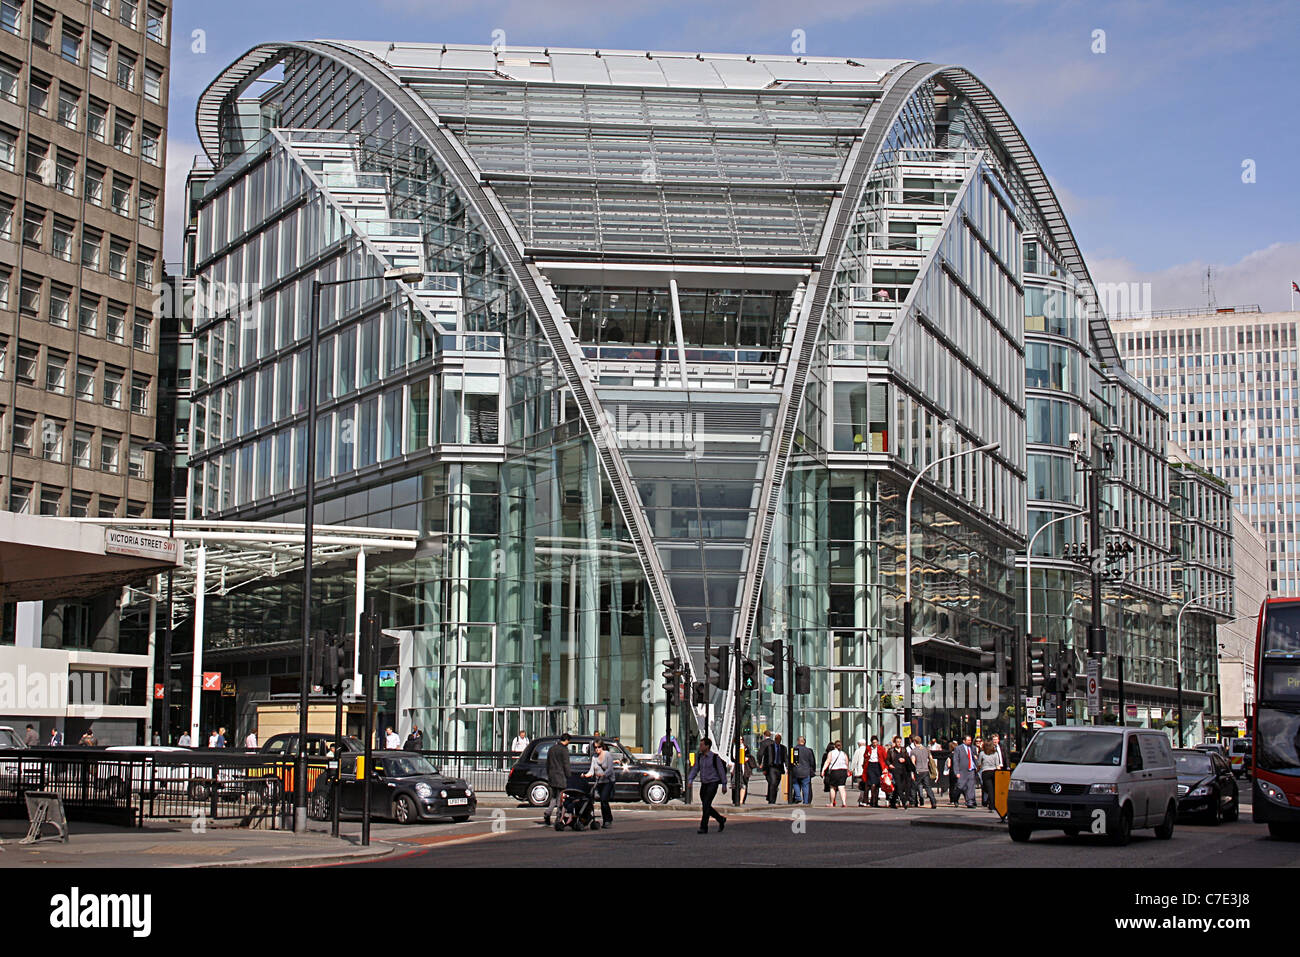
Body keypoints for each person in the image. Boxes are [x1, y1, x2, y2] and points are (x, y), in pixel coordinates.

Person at [686, 737, 728, 833]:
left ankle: (704, 827)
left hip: (713, 783)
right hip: (704, 783)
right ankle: (720, 819)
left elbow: (721, 771)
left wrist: (724, 784)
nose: (700, 747)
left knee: (706, 804)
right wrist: (690, 780)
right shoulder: (700, 757)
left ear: (707, 746)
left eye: (702, 745)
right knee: (706, 805)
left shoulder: (714, 757)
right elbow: (695, 769)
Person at [583, 738, 615, 828]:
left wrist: (603, 774)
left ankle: (608, 820)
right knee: (600, 800)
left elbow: (610, 769)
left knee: (604, 799)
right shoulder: (594, 757)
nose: (597, 749)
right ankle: (604, 820)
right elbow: (591, 771)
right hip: (599, 782)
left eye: (599, 747)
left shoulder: (607, 755)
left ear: (602, 746)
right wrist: (585, 775)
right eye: (595, 747)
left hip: (608, 781)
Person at [542, 733, 571, 826]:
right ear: (566, 740)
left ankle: (548, 812)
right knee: (560, 798)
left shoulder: (552, 749)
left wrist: (549, 774)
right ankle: (558, 817)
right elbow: (566, 764)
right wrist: (569, 775)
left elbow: (548, 763)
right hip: (561, 776)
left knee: (554, 797)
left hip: (552, 776)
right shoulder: (564, 750)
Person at [887, 736, 914, 809]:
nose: (899, 743)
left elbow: (907, 758)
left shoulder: (903, 749)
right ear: (894, 742)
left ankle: (892, 801)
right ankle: (903, 801)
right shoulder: (891, 750)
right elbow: (887, 760)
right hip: (895, 770)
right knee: (898, 785)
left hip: (903, 769)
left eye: (900, 742)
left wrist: (904, 760)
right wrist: (890, 765)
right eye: (897, 742)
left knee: (900, 786)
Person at [910, 735, 937, 809]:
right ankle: (933, 802)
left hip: (918, 771)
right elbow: (931, 759)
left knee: (914, 787)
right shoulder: (926, 749)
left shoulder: (914, 751)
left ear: (915, 742)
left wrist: (913, 772)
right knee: (928, 787)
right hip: (925, 770)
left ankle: (913, 802)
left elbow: (913, 762)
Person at [760, 733, 787, 804]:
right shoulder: (770, 747)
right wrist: (764, 769)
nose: (778, 741)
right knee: (773, 783)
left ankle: (771, 797)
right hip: (772, 767)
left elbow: (785, 758)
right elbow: (765, 758)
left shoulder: (783, 748)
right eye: (777, 739)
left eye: (779, 739)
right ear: (775, 740)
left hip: (779, 767)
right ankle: (772, 800)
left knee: (776, 784)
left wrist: (787, 767)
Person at [821, 739, 850, 807]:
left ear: (835, 746)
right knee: (842, 787)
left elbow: (827, 762)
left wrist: (823, 770)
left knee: (832, 787)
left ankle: (831, 803)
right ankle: (844, 802)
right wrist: (847, 771)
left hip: (834, 771)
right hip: (843, 771)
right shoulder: (844, 754)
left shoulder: (831, 753)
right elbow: (847, 763)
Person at [789, 736, 816, 805]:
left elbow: (791, 761)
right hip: (806, 771)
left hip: (796, 770)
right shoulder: (809, 750)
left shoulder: (794, 750)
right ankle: (806, 802)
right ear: (804, 742)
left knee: (795, 784)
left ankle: (798, 796)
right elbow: (812, 762)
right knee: (806, 786)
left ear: (798, 741)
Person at [953, 735, 978, 808]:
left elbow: (975, 758)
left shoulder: (973, 748)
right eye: (968, 740)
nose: (970, 742)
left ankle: (969, 802)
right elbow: (956, 760)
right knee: (960, 786)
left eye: (970, 740)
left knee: (970, 787)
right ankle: (955, 798)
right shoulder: (958, 749)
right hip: (962, 770)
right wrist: (957, 772)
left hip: (971, 770)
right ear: (964, 741)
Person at [865, 736, 888, 807]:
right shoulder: (868, 748)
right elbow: (865, 756)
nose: (874, 744)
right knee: (873, 784)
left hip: (878, 766)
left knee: (877, 784)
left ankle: (875, 801)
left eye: (876, 742)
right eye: (873, 742)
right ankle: (872, 800)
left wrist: (885, 768)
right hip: (871, 765)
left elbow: (885, 758)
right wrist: (867, 755)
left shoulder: (881, 748)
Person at [979, 740, 1001, 810]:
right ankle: (993, 804)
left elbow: (979, 763)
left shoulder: (982, 753)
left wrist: (978, 769)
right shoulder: (995, 754)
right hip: (994, 771)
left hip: (985, 772)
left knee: (988, 789)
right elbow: (997, 765)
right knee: (993, 789)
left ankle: (990, 803)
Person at [849, 738, 868, 806]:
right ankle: (864, 799)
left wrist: (851, 769)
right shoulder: (868, 750)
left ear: (859, 744)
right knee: (866, 786)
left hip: (859, 772)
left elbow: (854, 761)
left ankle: (862, 799)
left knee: (861, 787)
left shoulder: (858, 751)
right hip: (867, 771)